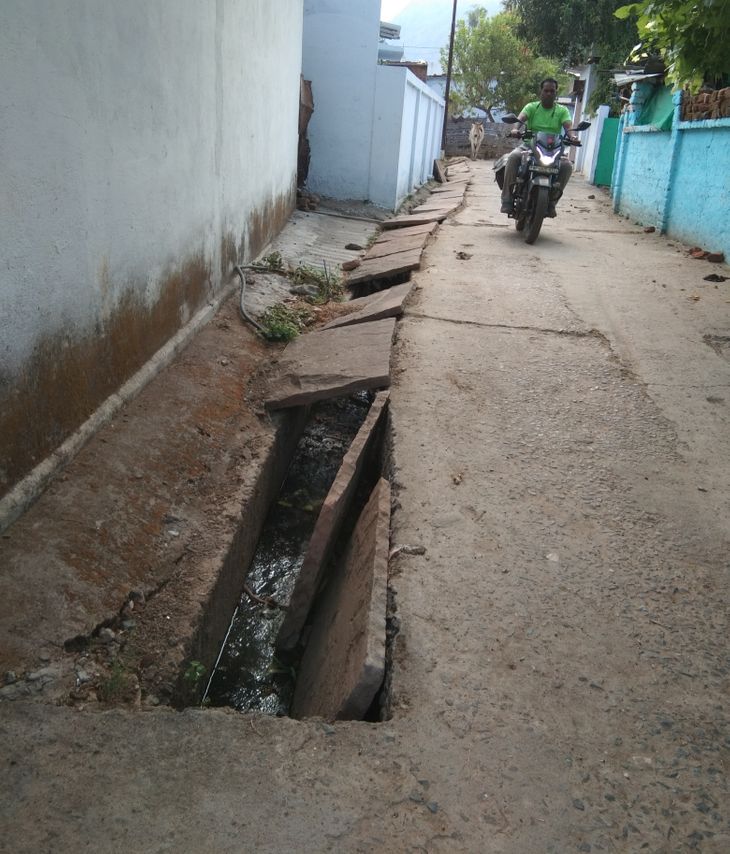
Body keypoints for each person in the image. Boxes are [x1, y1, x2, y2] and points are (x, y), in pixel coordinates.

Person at [501, 78, 578, 216]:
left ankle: (552, 202)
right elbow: (521, 119)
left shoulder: (562, 110)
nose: (549, 93)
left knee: (567, 166)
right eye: (546, 90)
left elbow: (568, 127)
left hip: (553, 149)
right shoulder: (531, 107)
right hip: (529, 146)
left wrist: (572, 136)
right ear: (540, 92)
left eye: (552, 91)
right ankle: (506, 199)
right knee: (513, 157)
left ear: (556, 93)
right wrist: (515, 129)